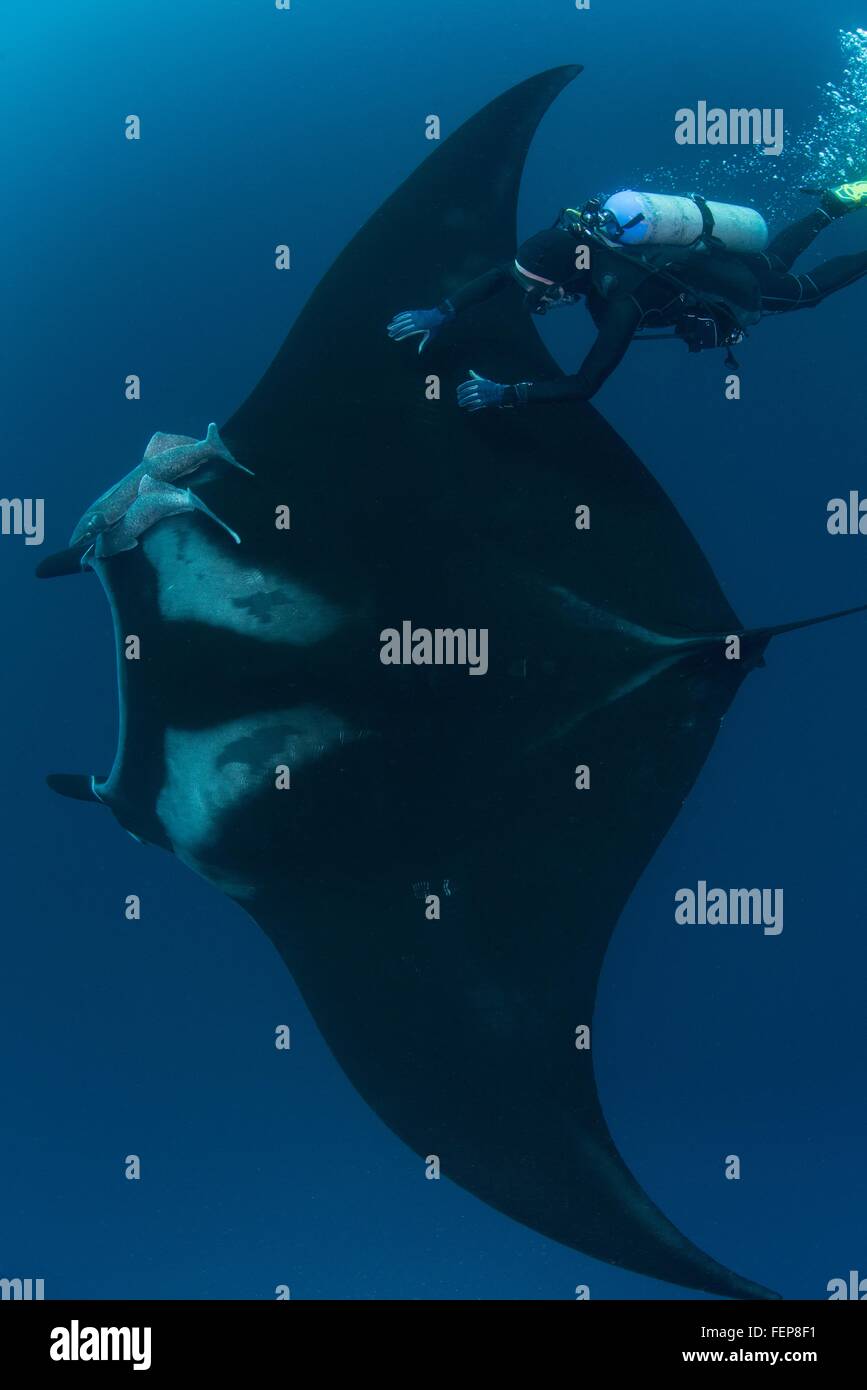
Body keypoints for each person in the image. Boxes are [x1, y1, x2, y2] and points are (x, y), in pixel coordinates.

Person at [386, 182, 867, 411]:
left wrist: (508, 393)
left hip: (728, 284)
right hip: (711, 258)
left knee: (802, 292)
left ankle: (843, 220)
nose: (531, 297)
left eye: (537, 290)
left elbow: (585, 384)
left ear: (559, 280)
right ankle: (833, 204)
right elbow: (500, 274)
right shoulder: (573, 246)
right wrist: (442, 312)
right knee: (773, 262)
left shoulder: (622, 301)